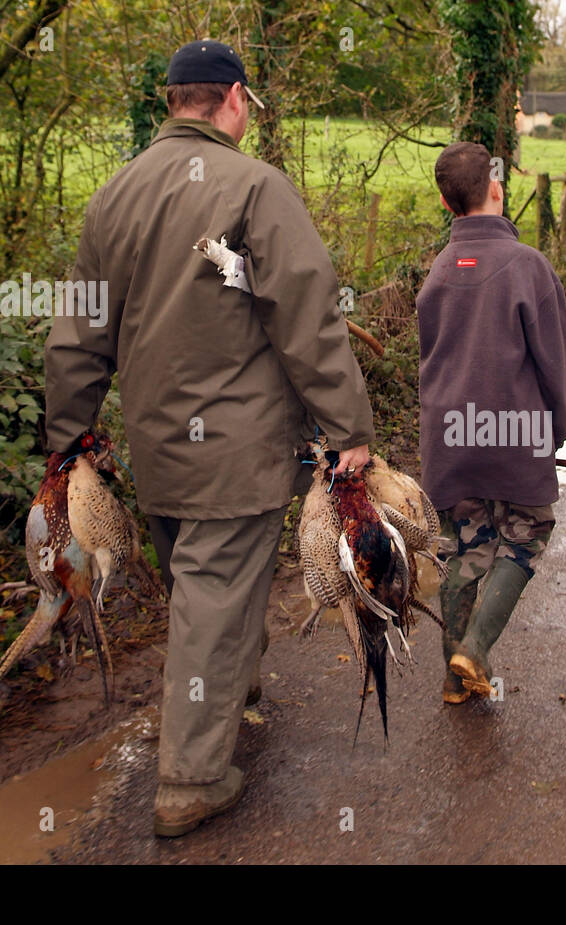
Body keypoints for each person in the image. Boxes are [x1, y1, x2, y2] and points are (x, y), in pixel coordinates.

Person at [43, 39, 374, 837]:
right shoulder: (257, 187)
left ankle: (233, 689)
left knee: (206, 593)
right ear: (232, 100)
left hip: (156, 447)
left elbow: (77, 334)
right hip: (240, 448)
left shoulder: (113, 196)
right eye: (247, 107)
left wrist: (70, 437)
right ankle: (190, 779)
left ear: (171, 101)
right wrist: (349, 428)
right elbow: (307, 320)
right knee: (213, 597)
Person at [416, 142, 566, 704]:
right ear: (497, 189)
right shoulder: (528, 266)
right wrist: (556, 428)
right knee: (526, 536)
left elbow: (432, 359)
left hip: (450, 438)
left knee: (465, 548)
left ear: (445, 202)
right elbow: (554, 363)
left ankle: (454, 678)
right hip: (513, 437)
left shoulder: (437, 271)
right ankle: (474, 651)